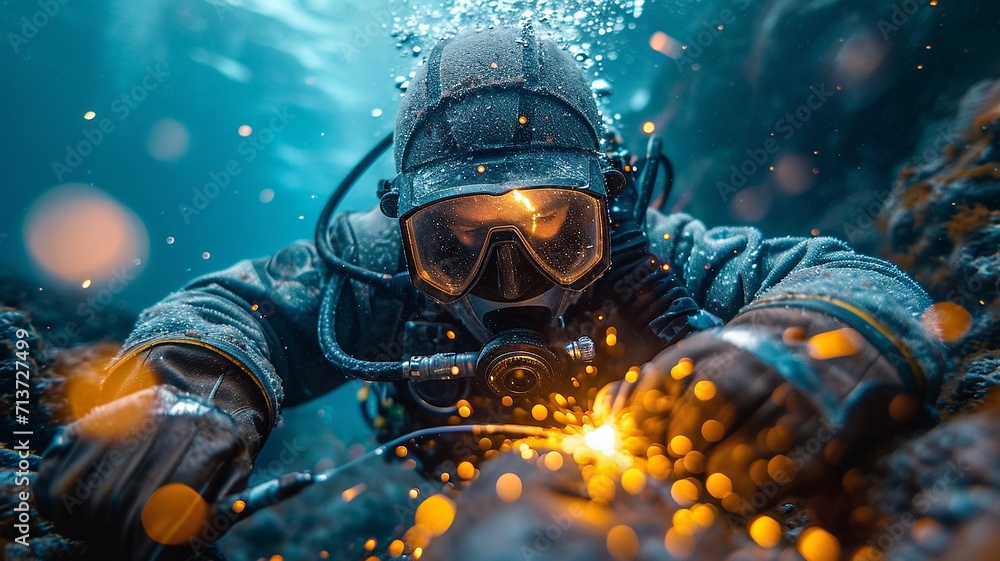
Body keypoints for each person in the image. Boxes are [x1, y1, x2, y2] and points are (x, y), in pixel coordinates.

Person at [35, 24, 946, 560]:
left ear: (613, 207)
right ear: (401, 232)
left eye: (559, 230)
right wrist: (194, 383)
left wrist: (787, 341)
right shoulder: (368, 264)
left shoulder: (652, 256)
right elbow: (234, 308)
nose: (510, 283)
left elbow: (859, 279)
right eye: (455, 244)